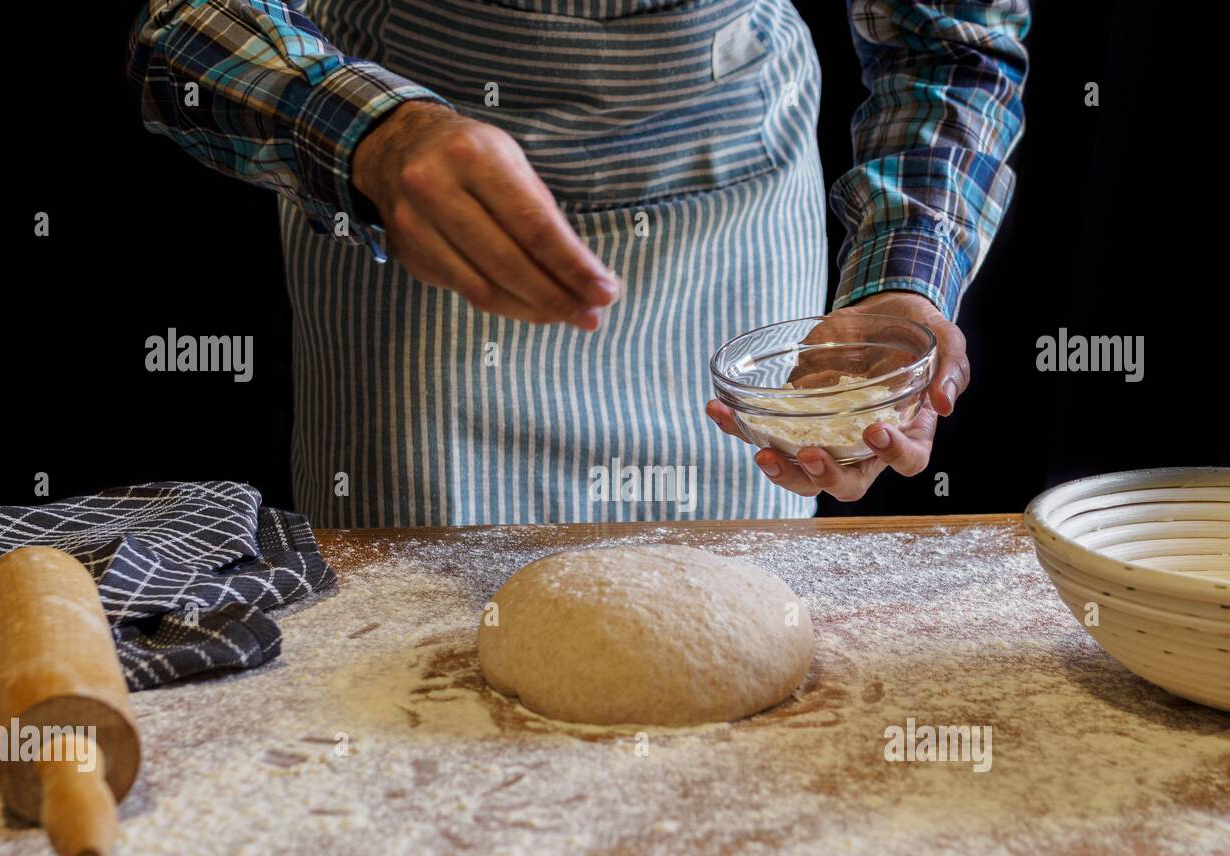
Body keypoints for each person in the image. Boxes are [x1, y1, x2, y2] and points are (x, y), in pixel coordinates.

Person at [128, 0, 1028, 527]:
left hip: (732, 212)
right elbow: (179, 20)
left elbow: (950, 40)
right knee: (415, 672)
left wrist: (900, 283)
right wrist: (368, 134)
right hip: (419, 227)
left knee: (728, 654)